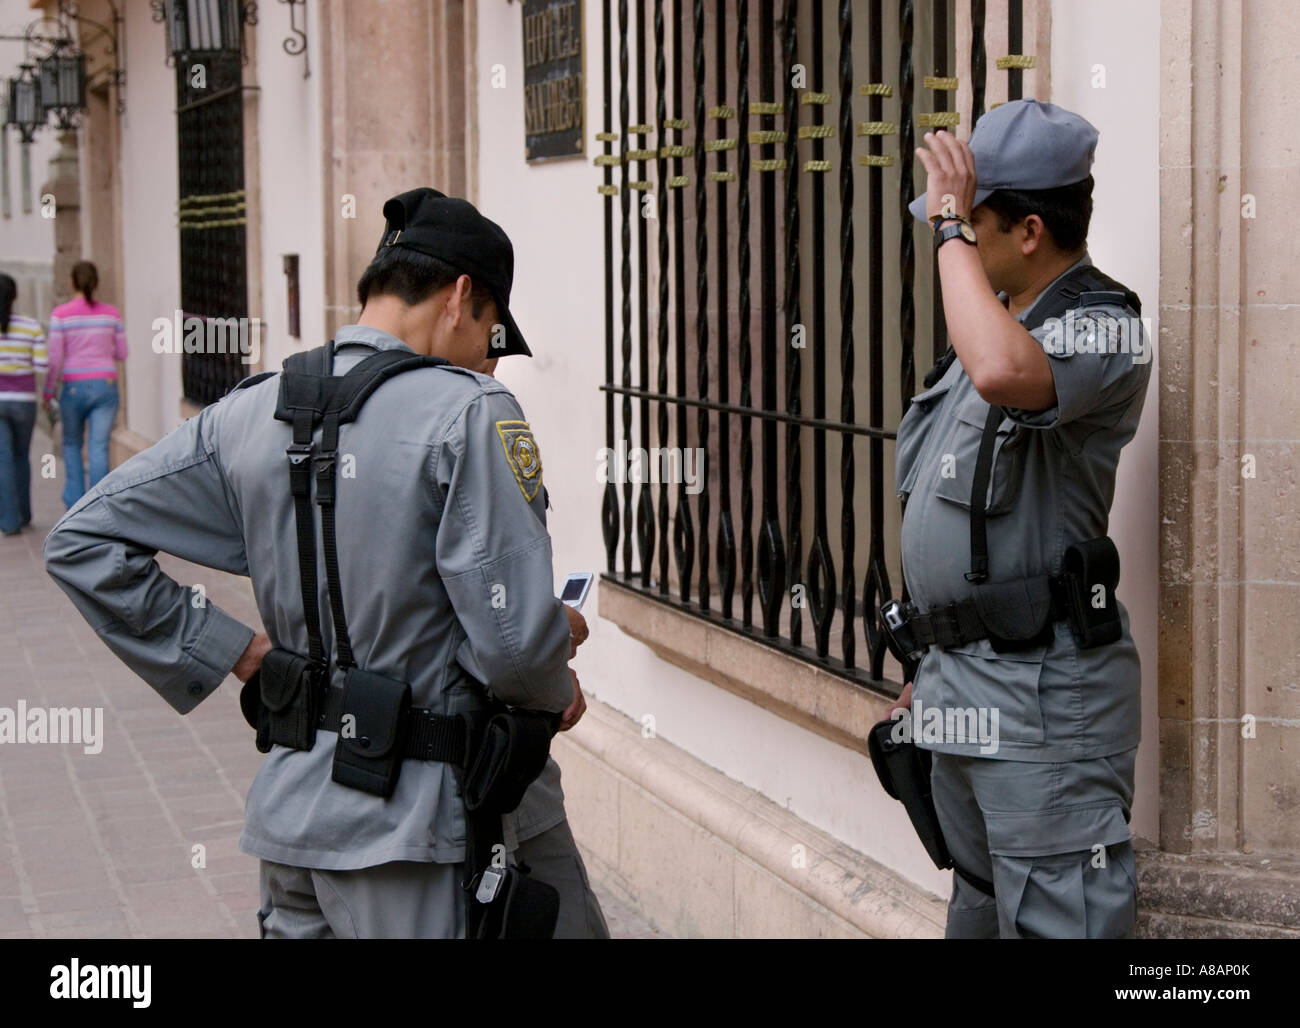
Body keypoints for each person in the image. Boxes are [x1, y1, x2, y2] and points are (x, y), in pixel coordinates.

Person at [45, 187, 608, 939]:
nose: (492, 361)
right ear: (460, 297)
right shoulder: (469, 411)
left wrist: (241, 654)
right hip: (425, 837)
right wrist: (552, 658)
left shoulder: (248, 412)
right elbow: (514, 650)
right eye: (493, 333)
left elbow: (82, 539)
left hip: (292, 824)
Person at [886, 99, 1150, 938]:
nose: (949, 238)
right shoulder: (992, 330)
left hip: (1045, 706)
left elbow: (1006, 372)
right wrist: (930, 663)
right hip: (961, 687)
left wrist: (948, 227)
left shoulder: (1104, 328)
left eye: (972, 222)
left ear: (1028, 230)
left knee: (1060, 922)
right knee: (978, 911)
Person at [44, 260, 128, 509]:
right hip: (106, 384)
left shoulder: (60, 315)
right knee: (99, 446)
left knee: (71, 443)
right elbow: (122, 353)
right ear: (96, 283)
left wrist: (48, 392)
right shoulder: (111, 314)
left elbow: (55, 358)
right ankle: (99, 504)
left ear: (71, 282)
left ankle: (75, 504)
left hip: (73, 387)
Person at [0, 274, 47, 536]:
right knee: (21, 456)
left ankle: (9, 521)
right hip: (24, 402)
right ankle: (25, 512)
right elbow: (41, 365)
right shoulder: (30, 327)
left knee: (2, 459)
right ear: (15, 296)